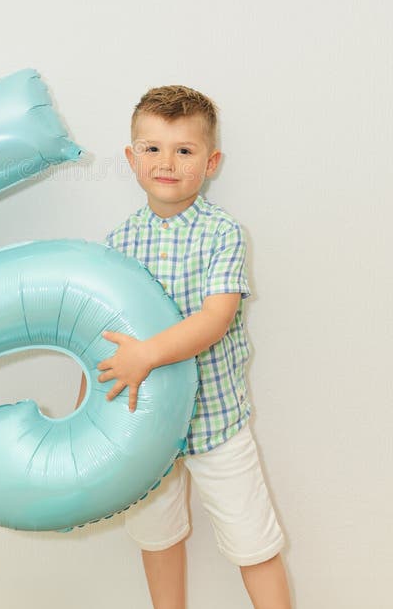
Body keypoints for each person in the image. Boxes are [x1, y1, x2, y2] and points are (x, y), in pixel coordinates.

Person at [76, 85, 292, 609]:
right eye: (152, 148)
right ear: (131, 159)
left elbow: (215, 319)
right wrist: (87, 407)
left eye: (184, 150)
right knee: (157, 540)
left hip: (216, 424)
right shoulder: (118, 243)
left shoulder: (222, 234)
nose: (166, 162)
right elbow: (100, 335)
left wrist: (148, 354)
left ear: (211, 161)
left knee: (254, 545)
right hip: (144, 428)